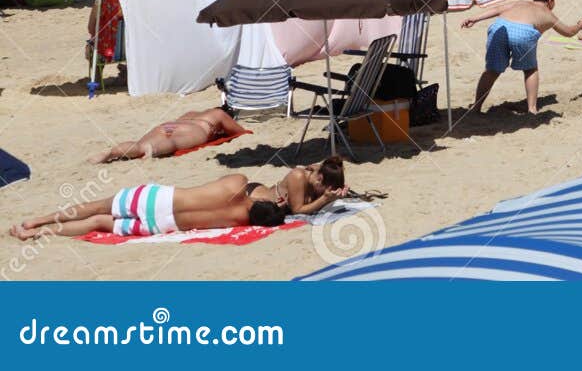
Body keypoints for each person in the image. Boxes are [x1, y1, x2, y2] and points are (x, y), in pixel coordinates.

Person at [9, 158, 345, 240]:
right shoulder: (239, 220)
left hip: (158, 199)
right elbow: (294, 211)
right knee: (98, 222)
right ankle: (40, 233)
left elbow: (291, 200)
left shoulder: (239, 182)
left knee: (97, 206)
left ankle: (37, 220)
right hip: (163, 225)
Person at [462, 0, 581, 115]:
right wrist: (579, 26)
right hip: (522, 32)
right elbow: (569, 32)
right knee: (530, 70)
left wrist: (474, 19)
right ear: (550, 1)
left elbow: (497, 9)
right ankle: (532, 109)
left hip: (499, 27)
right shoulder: (547, 14)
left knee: (491, 70)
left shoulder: (520, 3)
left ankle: (476, 107)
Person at [91, 107, 249, 163]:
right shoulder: (218, 114)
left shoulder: (192, 112)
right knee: (173, 143)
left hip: (169, 125)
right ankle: (152, 150)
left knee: (139, 145)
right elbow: (239, 132)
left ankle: (111, 152)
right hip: (194, 129)